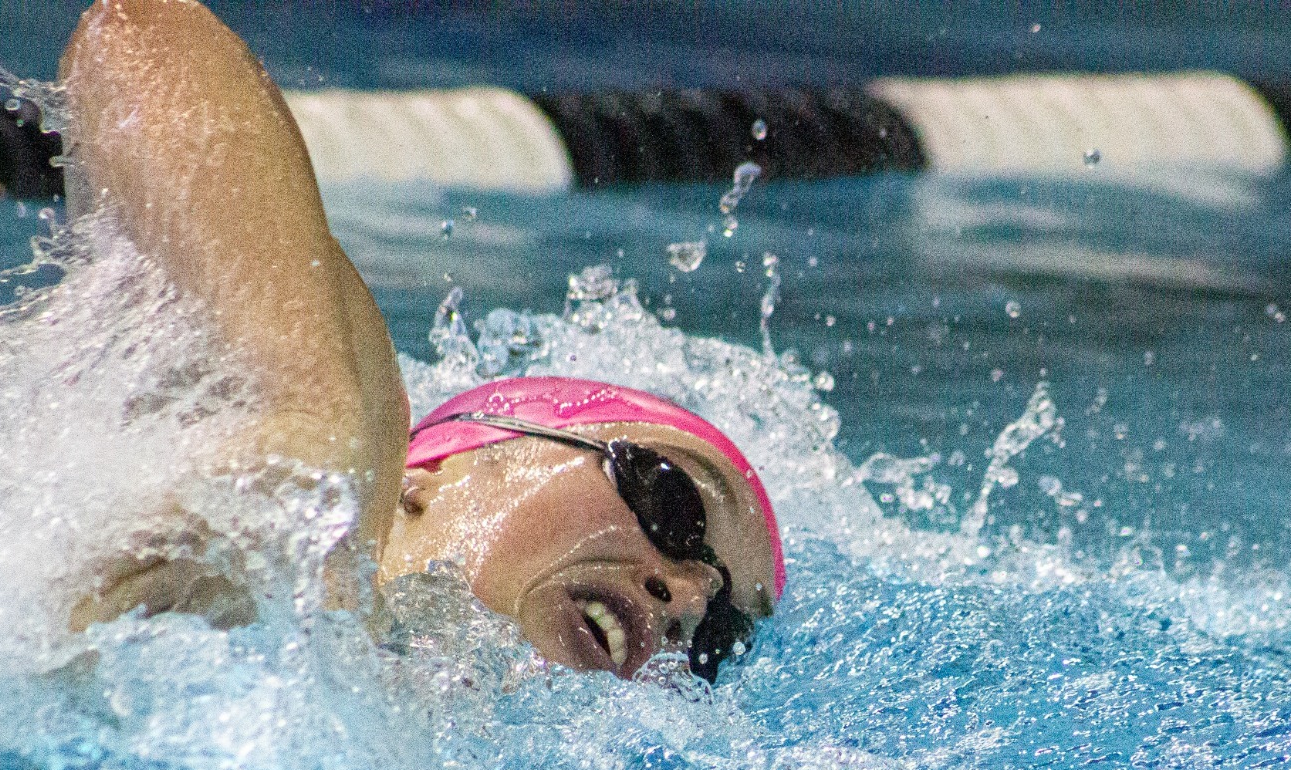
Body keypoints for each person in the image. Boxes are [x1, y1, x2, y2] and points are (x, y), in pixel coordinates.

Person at [55, 0, 781, 681]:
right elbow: (146, 39)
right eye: (672, 503)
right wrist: (307, 416)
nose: (690, 600)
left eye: (718, 635)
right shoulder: (335, 494)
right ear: (432, 472)